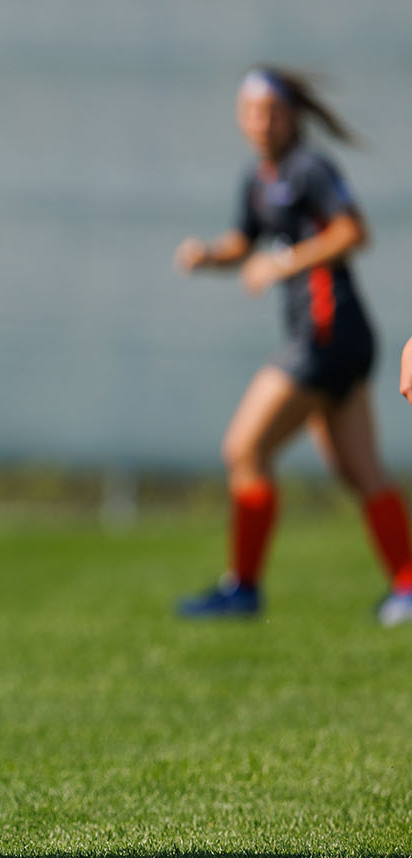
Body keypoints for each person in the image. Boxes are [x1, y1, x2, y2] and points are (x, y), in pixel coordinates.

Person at [173, 66, 412, 626]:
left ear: (292, 116)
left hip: (327, 334)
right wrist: (210, 256)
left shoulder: (309, 168)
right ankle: (408, 583)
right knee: (361, 471)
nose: (261, 121)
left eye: (271, 111)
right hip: (332, 339)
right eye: (251, 111)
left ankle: (244, 587)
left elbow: (353, 232)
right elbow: (244, 242)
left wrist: (281, 263)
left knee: (244, 450)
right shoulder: (259, 178)